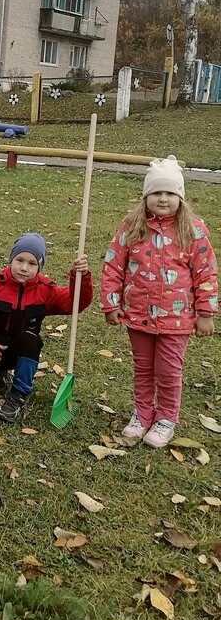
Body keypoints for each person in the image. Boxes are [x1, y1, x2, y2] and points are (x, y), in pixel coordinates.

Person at [101, 155, 217, 448]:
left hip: (176, 319)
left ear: (180, 197)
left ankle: (166, 418)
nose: (163, 199)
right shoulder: (132, 226)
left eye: (170, 193)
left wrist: (206, 312)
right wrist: (111, 303)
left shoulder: (192, 231)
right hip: (138, 314)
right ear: (146, 196)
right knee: (143, 367)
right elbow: (113, 264)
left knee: (168, 371)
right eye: (156, 192)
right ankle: (142, 414)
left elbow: (205, 272)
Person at [0, 233, 92, 424]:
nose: (24, 268)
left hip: (20, 350)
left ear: (40, 267)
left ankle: (18, 395)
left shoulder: (46, 291)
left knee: (30, 340)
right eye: (19, 260)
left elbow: (75, 303)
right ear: (11, 260)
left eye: (32, 263)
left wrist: (81, 278)